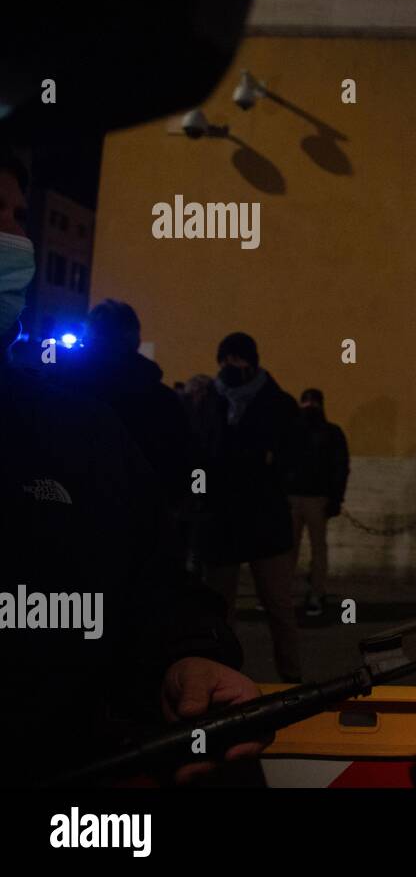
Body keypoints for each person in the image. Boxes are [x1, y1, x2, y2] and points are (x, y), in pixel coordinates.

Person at [0, 146, 267, 785]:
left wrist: (188, 657)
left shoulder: (76, 428)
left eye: (17, 214)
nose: (17, 239)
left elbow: (151, 585)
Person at [191, 331, 303, 683]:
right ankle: (224, 680)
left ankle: (291, 682)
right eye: (225, 361)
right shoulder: (210, 399)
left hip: (264, 520)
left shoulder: (278, 403)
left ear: (251, 362)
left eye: (236, 360)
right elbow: (200, 450)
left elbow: (291, 458)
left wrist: (263, 461)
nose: (229, 367)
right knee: (220, 610)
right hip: (221, 520)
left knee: (279, 609)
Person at [48, 299, 195, 560]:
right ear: (134, 339)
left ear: (90, 336)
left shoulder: (60, 390)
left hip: (69, 523)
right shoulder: (163, 400)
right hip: (141, 526)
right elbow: (183, 461)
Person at [282, 387, 349, 616]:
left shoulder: (321, 432)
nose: (309, 406)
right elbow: (340, 468)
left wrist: (335, 498)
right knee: (297, 549)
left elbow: (340, 467)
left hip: (311, 497)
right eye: (307, 401)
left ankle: (311, 593)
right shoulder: (323, 431)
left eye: (312, 402)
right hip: (304, 497)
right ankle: (293, 594)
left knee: (310, 549)